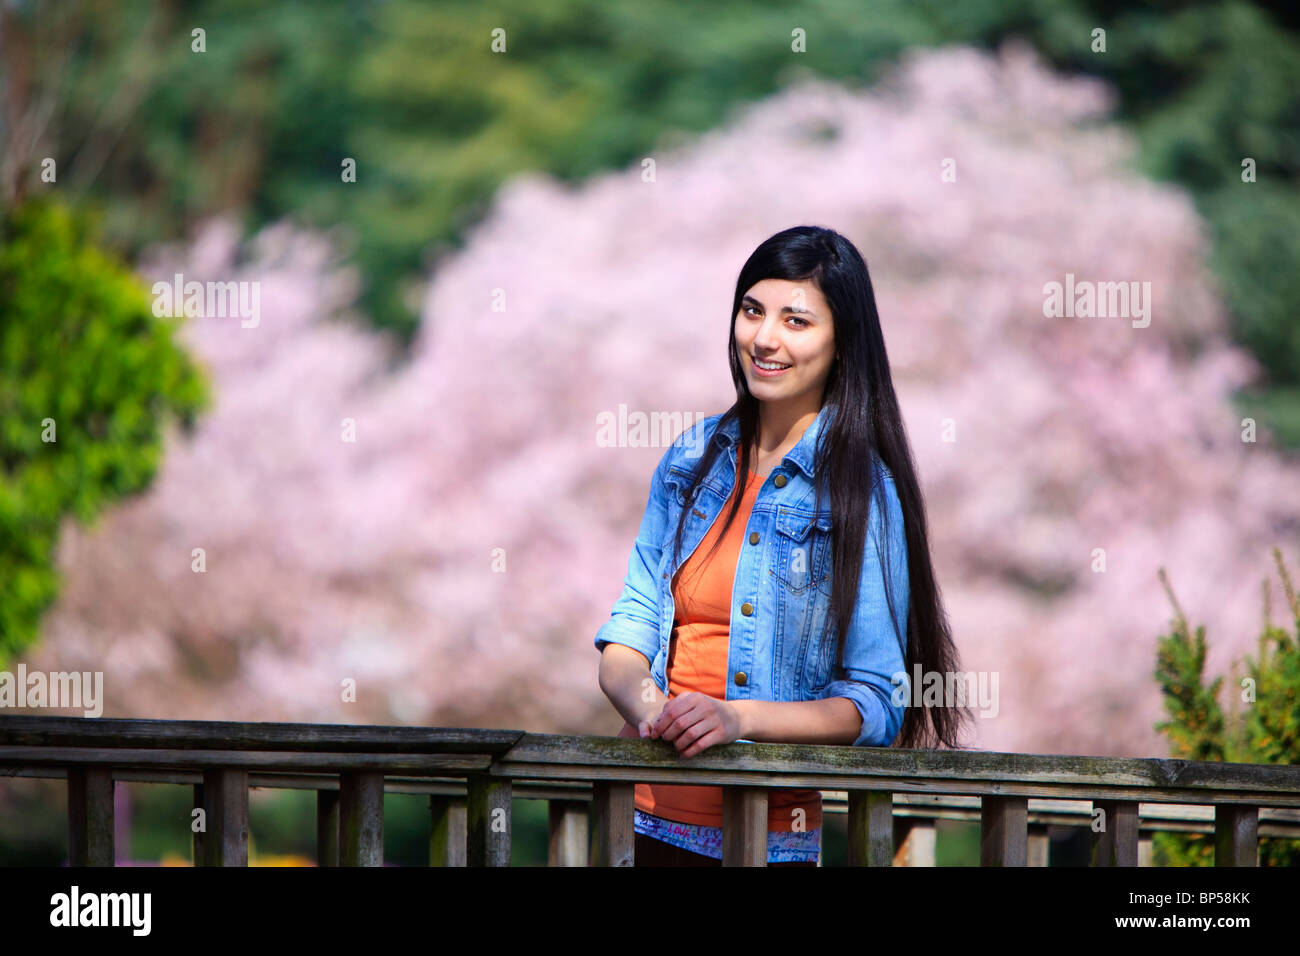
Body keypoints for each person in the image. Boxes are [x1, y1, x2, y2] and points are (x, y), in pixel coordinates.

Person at [594, 225, 971, 866]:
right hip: (638, 823)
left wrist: (739, 719)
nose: (765, 338)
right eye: (752, 311)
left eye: (797, 321)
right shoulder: (691, 458)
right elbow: (628, 631)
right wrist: (654, 711)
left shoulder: (862, 493)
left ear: (842, 343)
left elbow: (876, 701)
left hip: (768, 839)